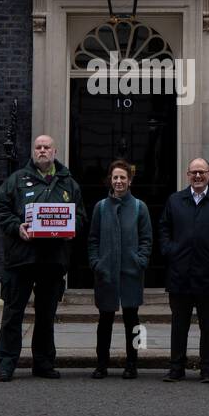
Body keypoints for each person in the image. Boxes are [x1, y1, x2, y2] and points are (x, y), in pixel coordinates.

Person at [0, 134, 86, 382]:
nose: (42, 151)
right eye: (38, 147)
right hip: (21, 259)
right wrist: (17, 227)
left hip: (52, 260)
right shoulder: (16, 180)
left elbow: (81, 216)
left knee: (46, 315)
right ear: (33, 151)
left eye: (46, 147)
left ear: (54, 151)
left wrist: (71, 229)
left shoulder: (68, 183)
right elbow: (1, 208)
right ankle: (6, 363)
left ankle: (43, 363)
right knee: (13, 313)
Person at [158, 157, 209, 383]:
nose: (198, 176)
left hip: (208, 273)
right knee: (178, 324)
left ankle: (206, 368)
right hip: (179, 273)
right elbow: (164, 228)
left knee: (207, 324)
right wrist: (170, 250)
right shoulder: (175, 200)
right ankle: (176, 367)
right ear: (188, 175)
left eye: (202, 172)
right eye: (194, 172)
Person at [87, 159, 152, 380]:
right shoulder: (101, 207)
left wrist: (140, 260)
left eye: (122, 177)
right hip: (106, 272)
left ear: (130, 181)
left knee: (133, 320)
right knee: (104, 321)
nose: (118, 181)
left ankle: (133, 362)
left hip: (131, 271)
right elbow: (92, 239)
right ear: (110, 180)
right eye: (115, 177)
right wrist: (96, 262)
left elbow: (147, 239)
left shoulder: (139, 207)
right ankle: (101, 364)